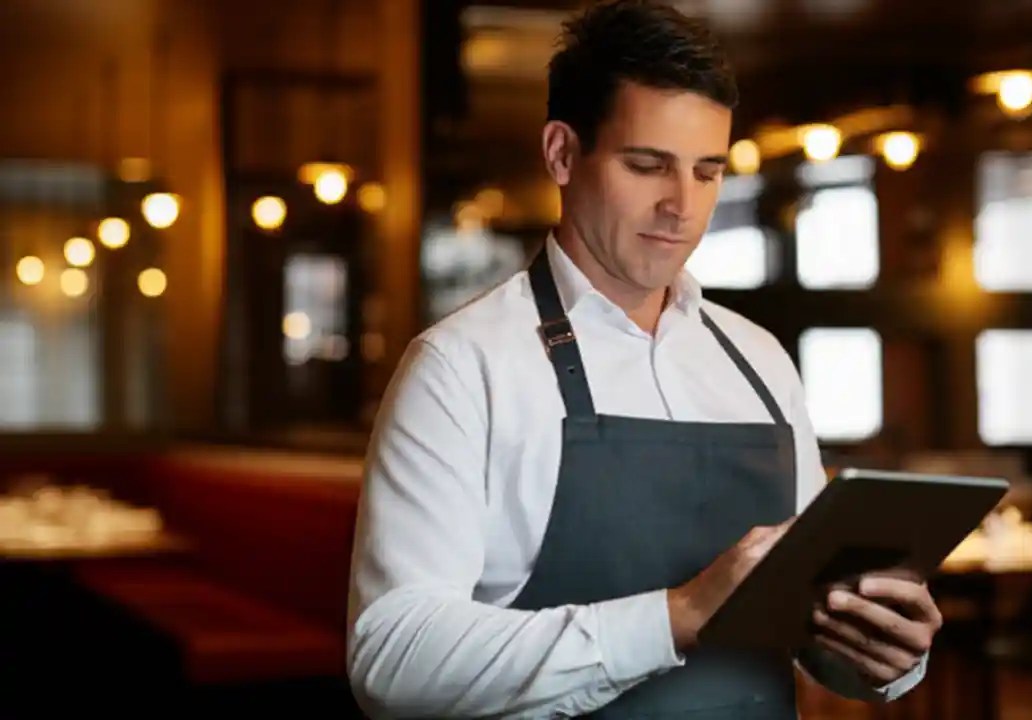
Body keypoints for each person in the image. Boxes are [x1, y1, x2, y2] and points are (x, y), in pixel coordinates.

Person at [346, 1, 940, 717]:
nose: (682, 207)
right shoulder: (459, 367)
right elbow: (391, 656)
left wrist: (881, 651)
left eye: (708, 171)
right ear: (562, 153)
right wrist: (676, 614)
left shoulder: (759, 361)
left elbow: (808, 622)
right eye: (647, 165)